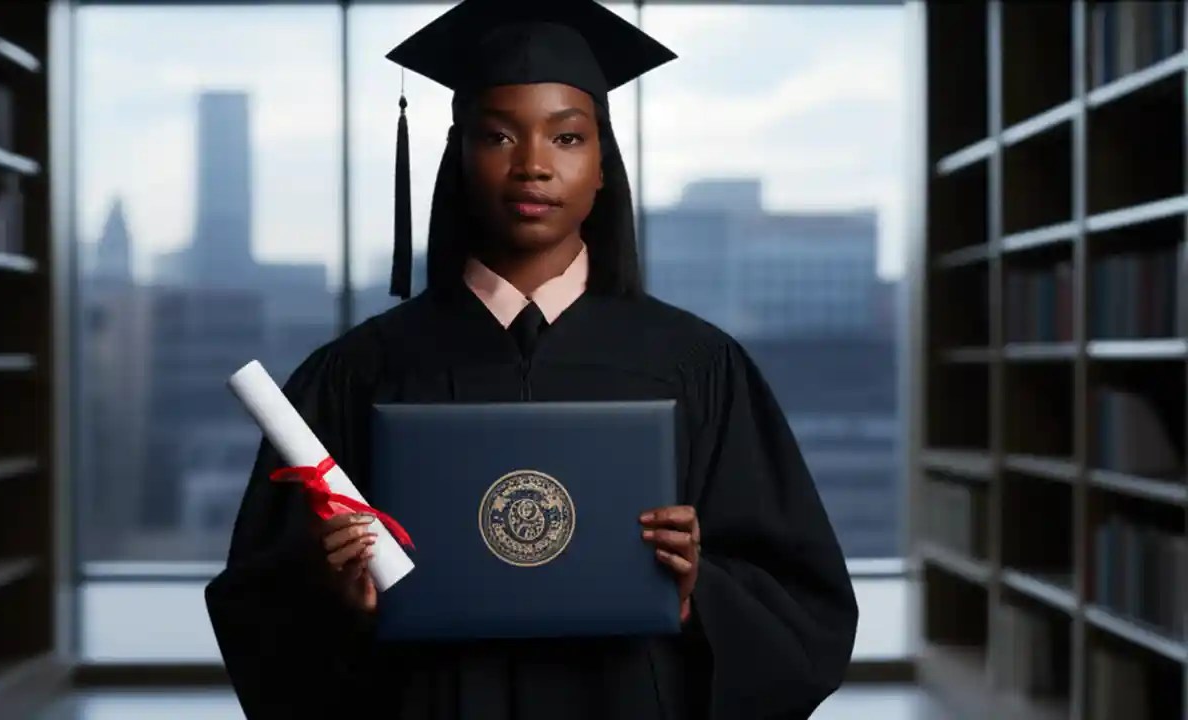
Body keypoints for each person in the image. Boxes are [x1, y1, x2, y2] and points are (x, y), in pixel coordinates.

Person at [205, 1, 858, 718]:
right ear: (458, 160)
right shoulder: (361, 371)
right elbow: (256, 607)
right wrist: (336, 592)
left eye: (568, 136)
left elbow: (803, 604)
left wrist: (699, 591)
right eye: (497, 136)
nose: (534, 165)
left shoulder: (697, 365)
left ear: (604, 165)